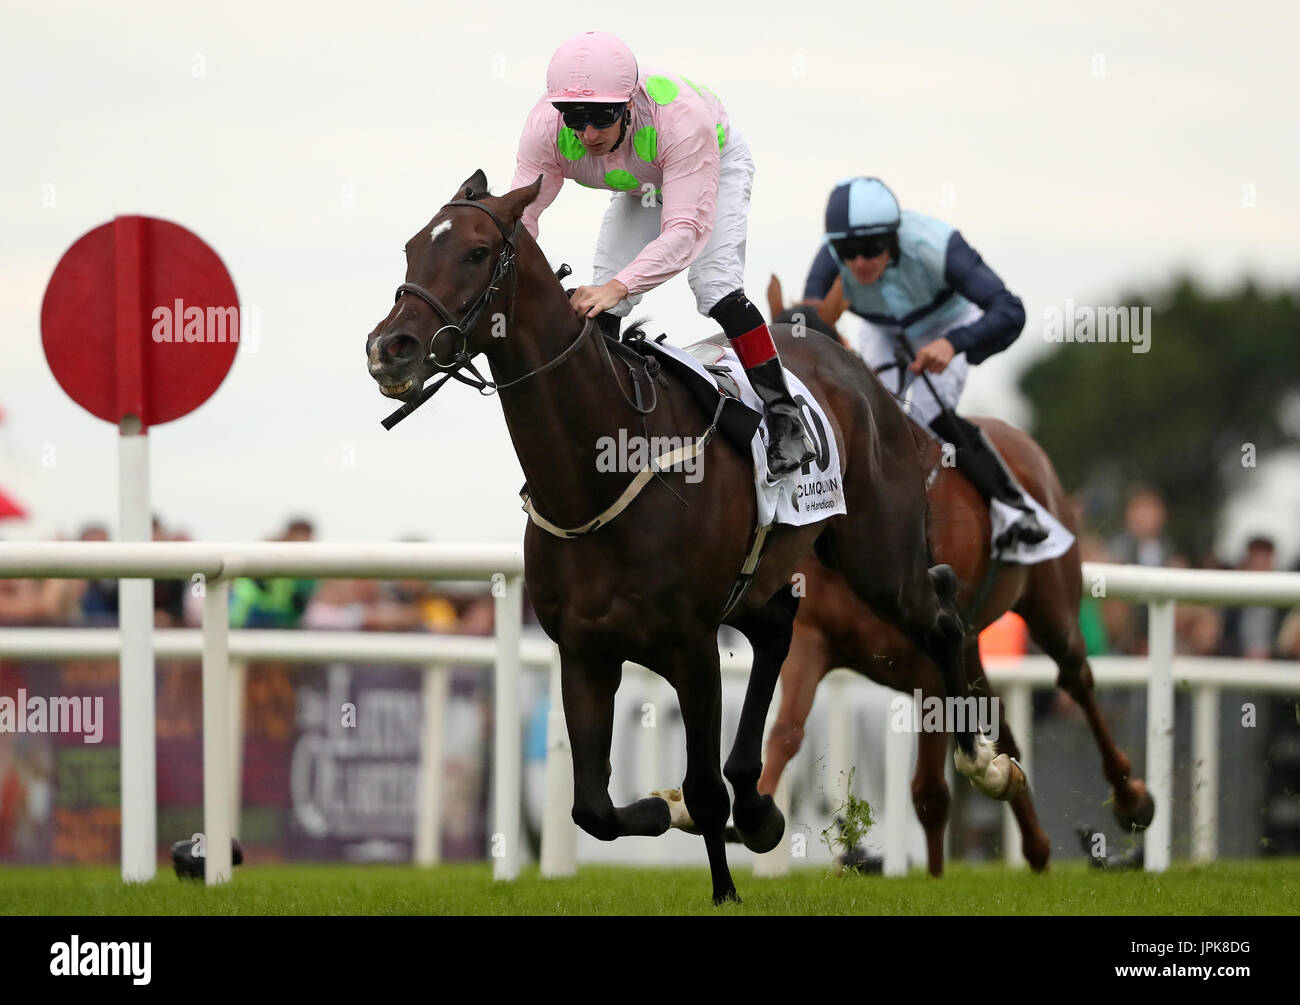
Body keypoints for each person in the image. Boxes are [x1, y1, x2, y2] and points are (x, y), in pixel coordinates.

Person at [509, 30, 814, 476]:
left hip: (710, 162)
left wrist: (620, 286)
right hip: (641, 183)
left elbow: (685, 232)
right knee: (601, 299)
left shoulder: (682, 120)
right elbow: (521, 220)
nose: (588, 133)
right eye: (575, 117)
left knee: (714, 286)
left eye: (602, 116)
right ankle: (601, 425)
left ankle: (786, 417)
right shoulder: (544, 128)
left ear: (629, 104)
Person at [805, 176, 1045, 548]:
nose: (859, 261)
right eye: (848, 250)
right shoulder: (828, 259)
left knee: (929, 410)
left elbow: (1010, 310)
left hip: (948, 322)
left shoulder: (936, 244)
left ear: (894, 236)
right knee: (873, 411)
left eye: (871, 247)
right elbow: (808, 328)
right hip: (882, 329)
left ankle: (1012, 506)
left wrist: (953, 343)